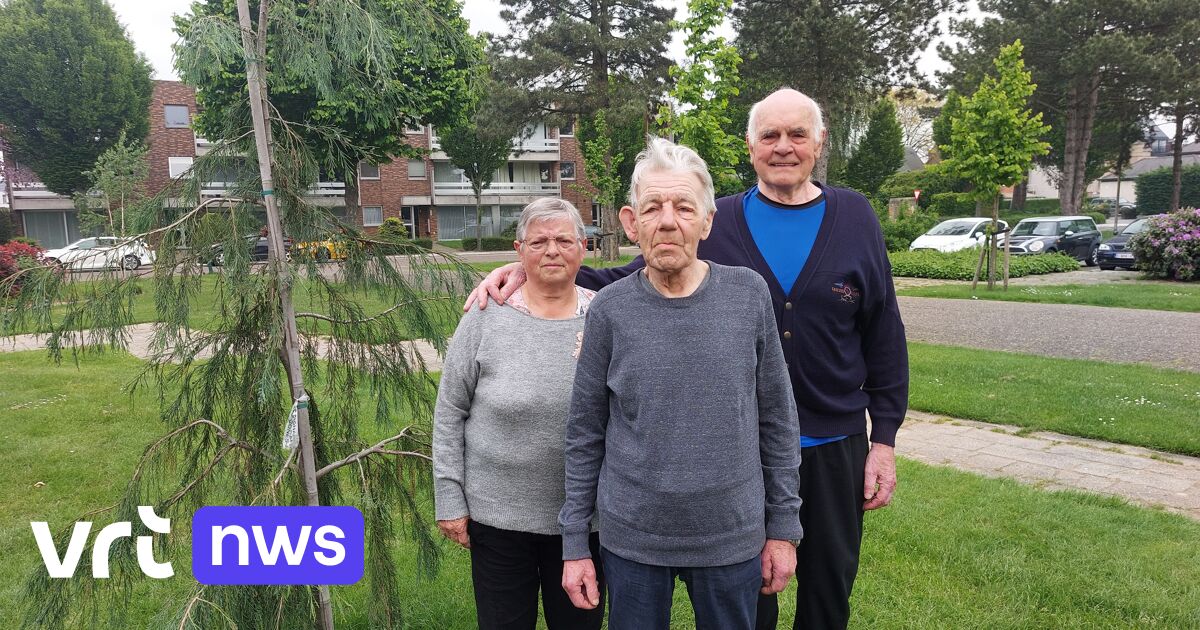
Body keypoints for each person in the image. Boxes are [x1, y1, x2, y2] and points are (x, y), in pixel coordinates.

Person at [466, 88, 909, 629]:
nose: (784, 146)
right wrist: (540, 268)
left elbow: (883, 331)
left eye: (797, 134)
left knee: (826, 593)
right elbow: (633, 276)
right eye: (770, 134)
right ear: (750, 146)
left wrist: (883, 435)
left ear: (820, 142)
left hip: (831, 439)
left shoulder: (851, 218)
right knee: (757, 605)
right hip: (707, 483)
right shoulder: (716, 219)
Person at [557, 136, 802, 630]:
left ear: (707, 221)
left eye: (684, 207)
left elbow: (777, 419)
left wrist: (784, 528)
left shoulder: (748, 296)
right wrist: (574, 544)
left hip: (731, 535)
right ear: (632, 222)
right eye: (653, 207)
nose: (668, 221)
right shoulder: (609, 310)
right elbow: (584, 434)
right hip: (632, 540)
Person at [433, 198, 604, 630]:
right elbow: (450, 409)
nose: (552, 250)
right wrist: (449, 497)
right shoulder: (485, 316)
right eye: (539, 241)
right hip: (499, 519)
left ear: (583, 247)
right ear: (519, 250)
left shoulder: (607, 315)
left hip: (586, 521)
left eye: (564, 240)